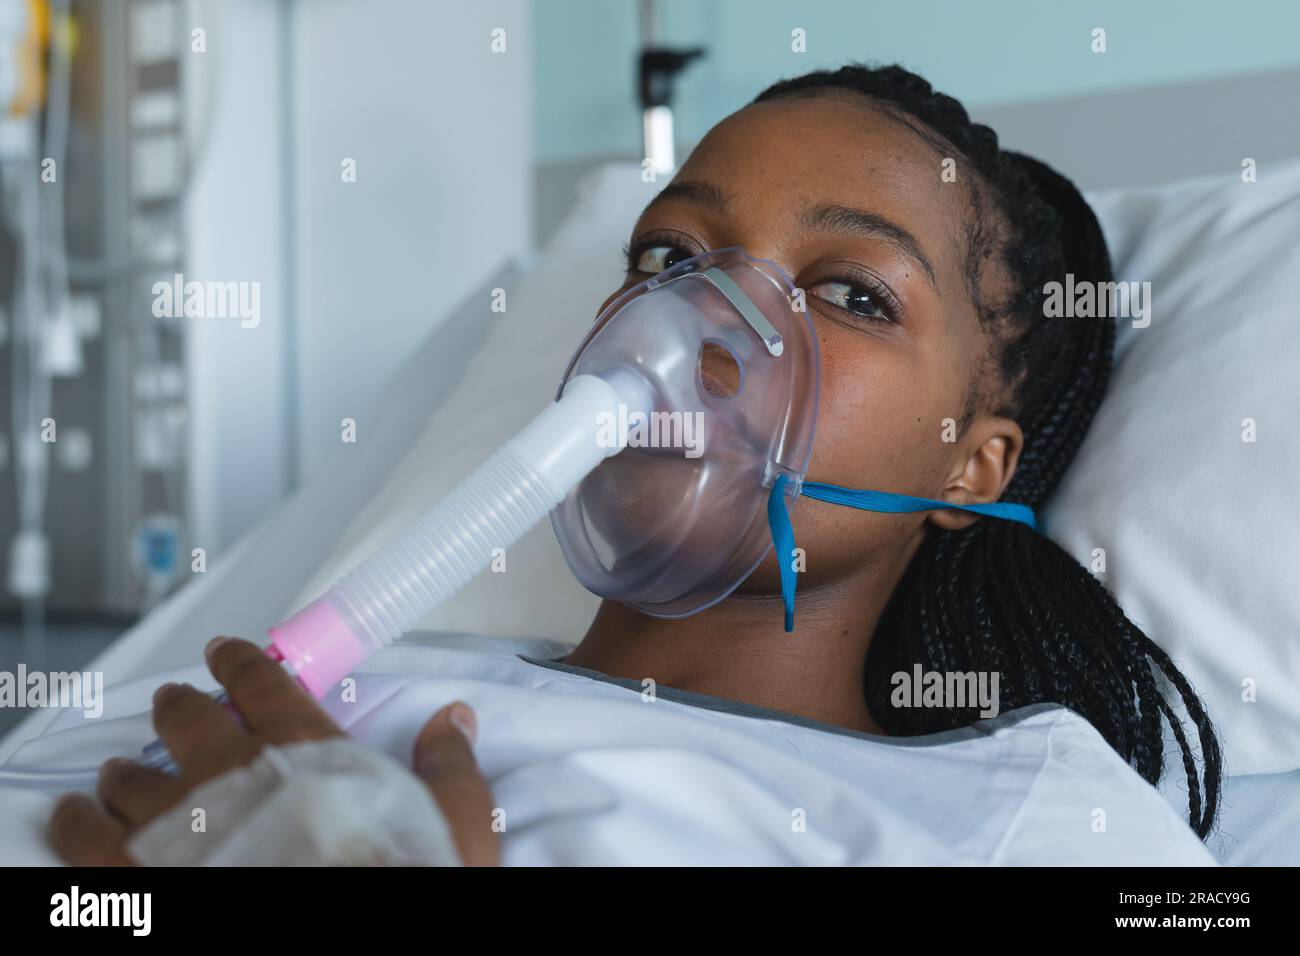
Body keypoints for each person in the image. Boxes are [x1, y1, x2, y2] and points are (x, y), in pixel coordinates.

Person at [47, 63, 1220, 866]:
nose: (698, 324)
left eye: (851, 293)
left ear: (972, 468)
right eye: (670, 255)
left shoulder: (1027, 818)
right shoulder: (336, 675)